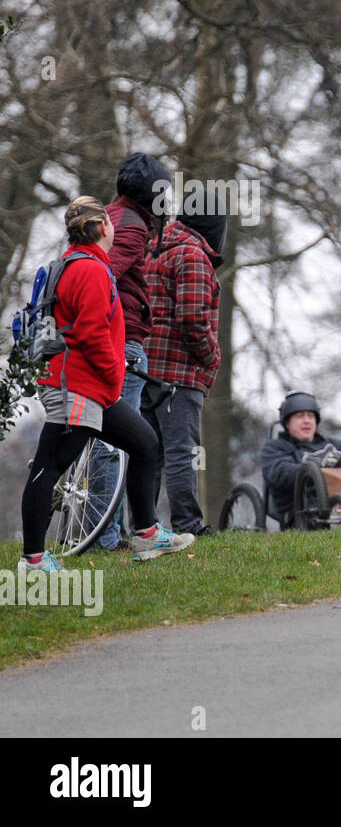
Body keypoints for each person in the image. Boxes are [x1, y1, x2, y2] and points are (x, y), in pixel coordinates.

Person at [18, 197, 194, 571]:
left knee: (144, 443)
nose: (115, 228)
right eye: (110, 224)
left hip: (87, 386)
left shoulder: (76, 264)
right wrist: (116, 373)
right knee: (50, 467)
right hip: (79, 386)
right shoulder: (92, 270)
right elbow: (93, 332)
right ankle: (33, 558)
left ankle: (146, 534)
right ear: (101, 229)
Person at [88, 152, 172, 551]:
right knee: (124, 443)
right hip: (122, 343)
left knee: (104, 440)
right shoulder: (133, 226)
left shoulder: (108, 215)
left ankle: (108, 532)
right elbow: (100, 273)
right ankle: (110, 536)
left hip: (108, 340)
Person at [142, 185, 225, 536]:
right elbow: (192, 318)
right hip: (179, 373)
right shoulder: (192, 256)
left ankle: (143, 526)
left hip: (144, 370)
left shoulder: (153, 250)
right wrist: (212, 358)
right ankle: (188, 524)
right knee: (182, 453)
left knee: (148, 454)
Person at [261, 391, 341, 529]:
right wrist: (319, 466)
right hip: (300, 514)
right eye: (299, 416)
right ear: (287, 423)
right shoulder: (275, 448)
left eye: (311, 416)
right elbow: (280, 473)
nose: (307, 421)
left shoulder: (336, 445)